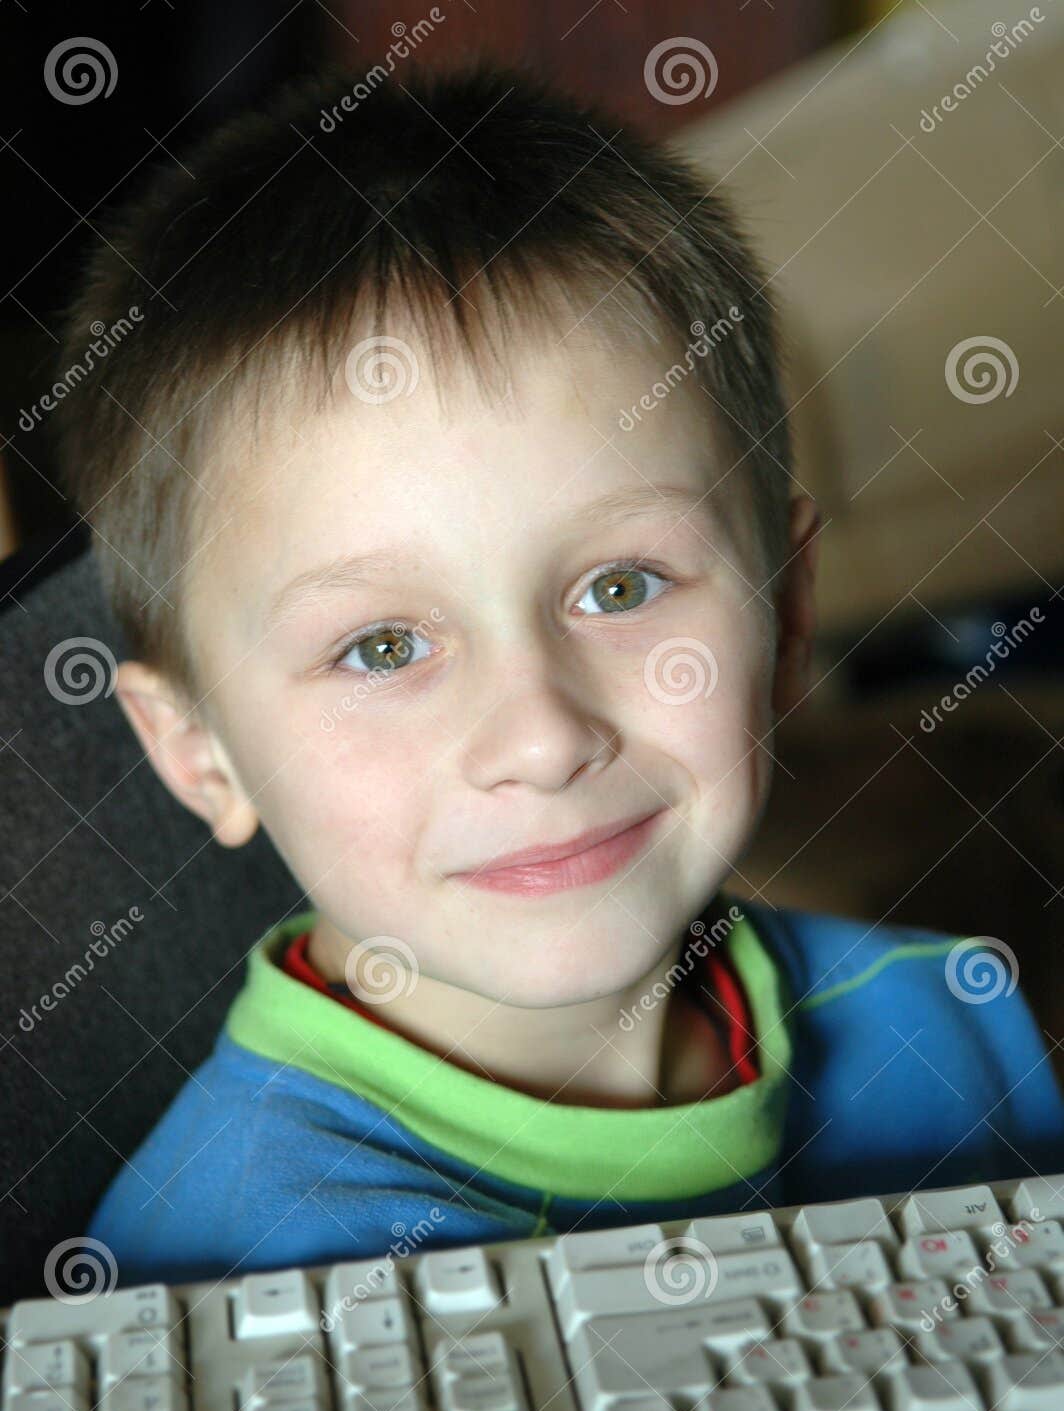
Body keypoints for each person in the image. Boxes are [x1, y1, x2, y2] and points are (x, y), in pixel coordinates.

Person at [53, 62, 1062, 1286]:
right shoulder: (218, 1284)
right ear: (199, 751)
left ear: (786, 612)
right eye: (382, 646)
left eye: (620, 587)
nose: (539, 735)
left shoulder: (948, 1022)